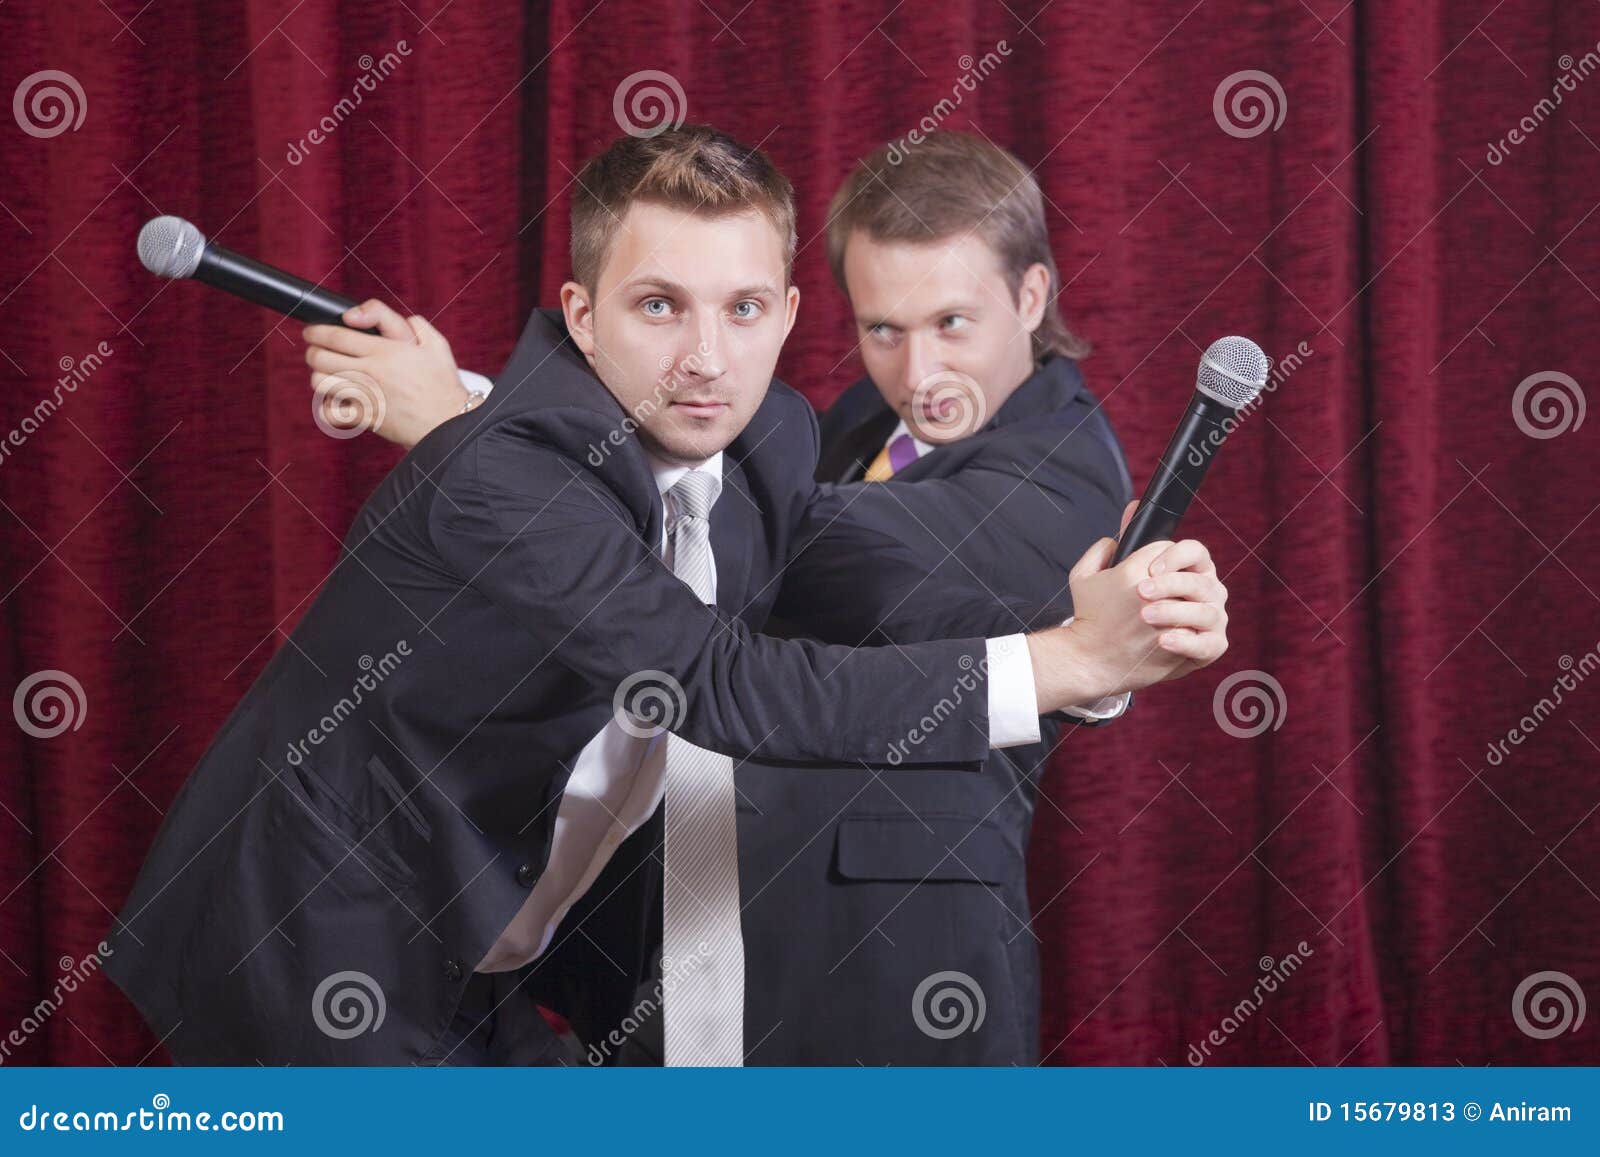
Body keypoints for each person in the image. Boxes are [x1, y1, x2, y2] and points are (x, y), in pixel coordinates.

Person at [182, 124, 1228, 1067]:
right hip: (333, 942)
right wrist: (1082, 662)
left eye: (742, 309)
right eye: (657, 305)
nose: (706, 360)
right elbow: (711, 662)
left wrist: (1093, 671)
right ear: (584, 318)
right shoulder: (563, 462)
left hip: (867, 940)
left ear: (782, 317)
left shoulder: (815, 442)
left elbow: (858, 575)